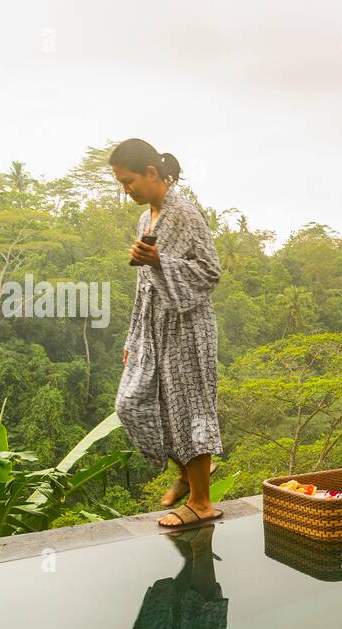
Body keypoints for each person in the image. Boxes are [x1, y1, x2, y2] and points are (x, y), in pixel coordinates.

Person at [110, 137, 224, 528]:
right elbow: (143, 284)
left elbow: (210, 272)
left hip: (188, 326)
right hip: (152, 326)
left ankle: (201, 502)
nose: (126, 190)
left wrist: (162, 262)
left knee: (189, 409)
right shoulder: (147, 219)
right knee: (134, 403)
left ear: (152, 173)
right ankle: (190, 473)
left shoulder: (186, 214)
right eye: (121, 183)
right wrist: (132, 339)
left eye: (129, 181)